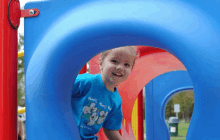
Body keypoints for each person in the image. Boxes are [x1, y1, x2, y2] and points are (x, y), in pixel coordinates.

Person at [71, 46, 138, 140]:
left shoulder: (116, 101)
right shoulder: (86, 82)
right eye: (114, 61)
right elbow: (60, 89)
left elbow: (111, 129)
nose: (120, 67)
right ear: (101, 63)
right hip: (65, 132)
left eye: (126, 65)